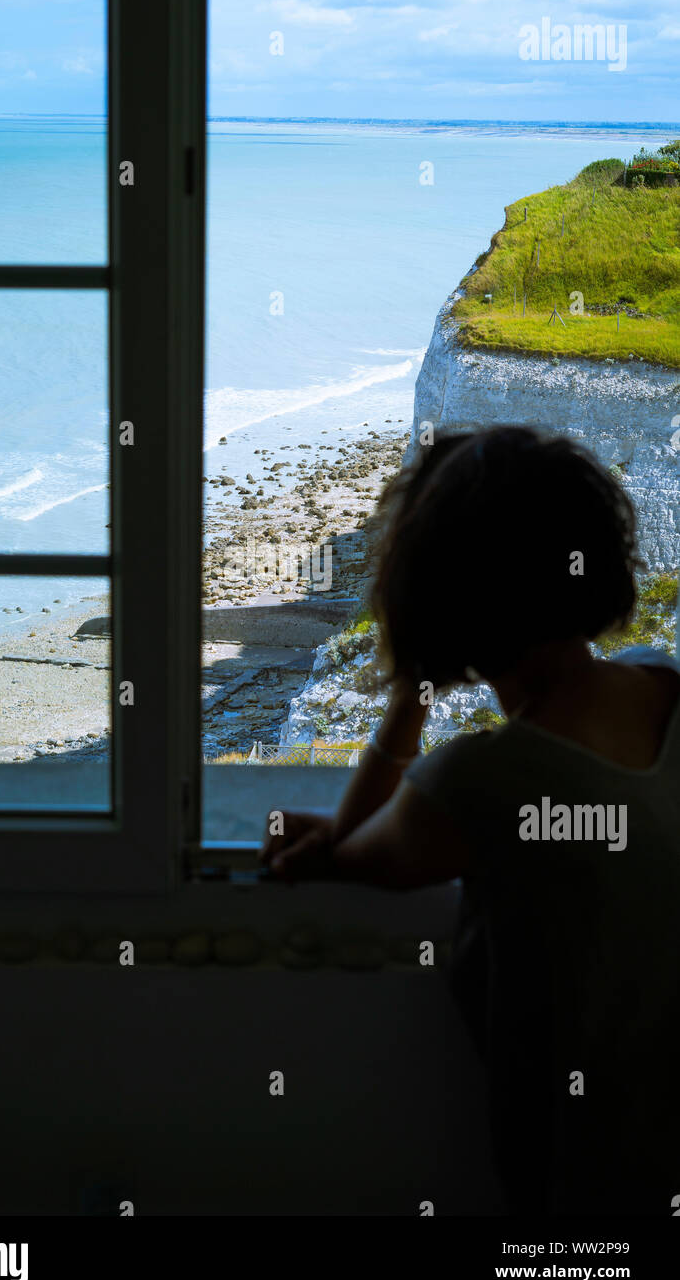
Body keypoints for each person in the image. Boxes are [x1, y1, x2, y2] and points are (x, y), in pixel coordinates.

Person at [260, 425, 680, 1215]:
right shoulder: (663, 683)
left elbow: (355, 852)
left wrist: (408, 691)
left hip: (595, 1188)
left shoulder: (486, 781)